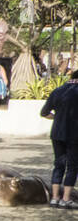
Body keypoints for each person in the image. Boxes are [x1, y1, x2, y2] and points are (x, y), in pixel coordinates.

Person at [41, 68, 78, 208]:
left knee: (59, 164)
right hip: (75, 134)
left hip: (57, 133)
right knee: (73, 166)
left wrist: (57, 117)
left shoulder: (57, 91)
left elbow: (44, 112)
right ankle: (66, 198)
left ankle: (55, 197)